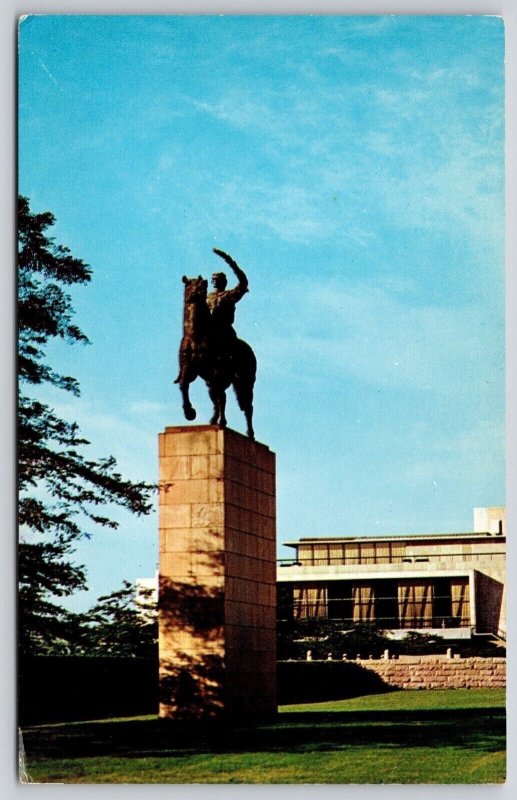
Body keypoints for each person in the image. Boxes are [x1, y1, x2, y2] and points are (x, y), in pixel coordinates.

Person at [207, 248, 248, 357]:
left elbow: (243, 283)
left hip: (224, 330)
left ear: (224, 282)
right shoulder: (207, 297)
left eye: (218, 279)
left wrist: (231, 263)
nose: (215, 281)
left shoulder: (229, 295)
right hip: (208, 329)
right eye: (214, 279)